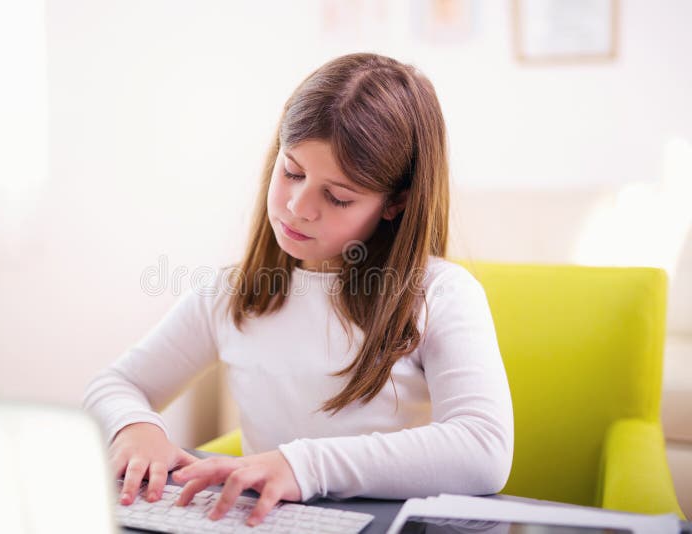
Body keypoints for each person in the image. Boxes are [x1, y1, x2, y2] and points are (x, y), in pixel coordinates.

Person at [83, 52, 513, 528]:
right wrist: (135, 426)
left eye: (338, 196)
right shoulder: (232, 294)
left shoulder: (439, 294)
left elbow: (483, 449)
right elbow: (115, 383)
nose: (297, 206)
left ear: (396, 203)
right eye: (292, 171)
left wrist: (302, 466)